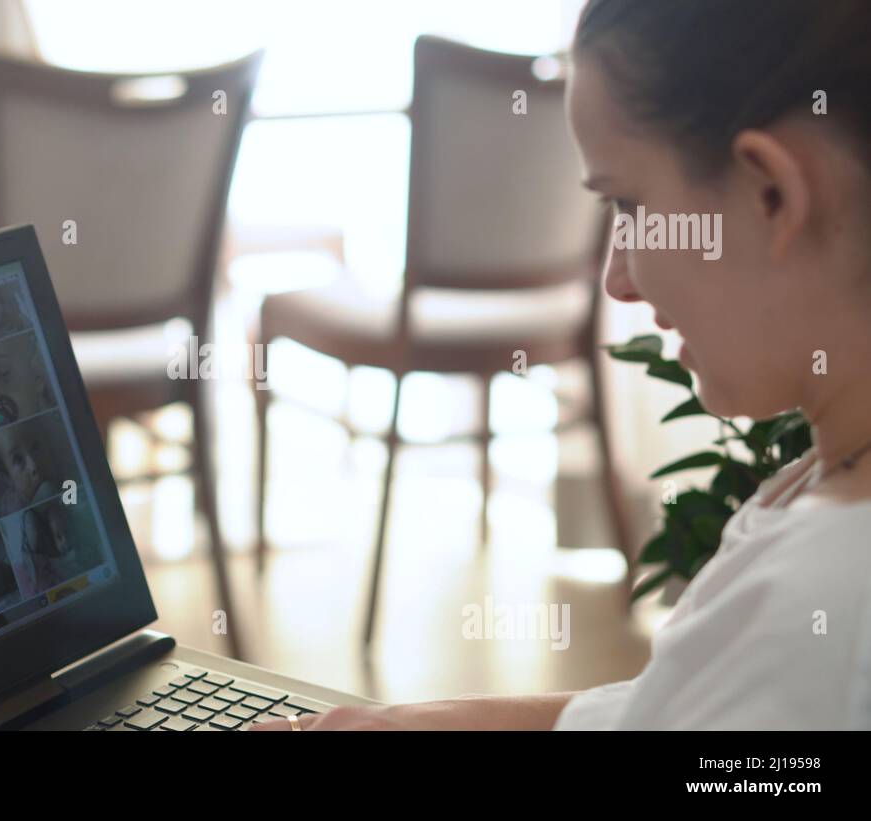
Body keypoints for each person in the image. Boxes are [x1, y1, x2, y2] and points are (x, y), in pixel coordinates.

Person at [256, 0, 871, 730]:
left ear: (772, 194)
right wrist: (404, 724)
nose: (617, 279)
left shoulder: (817, 598)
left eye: (629, 204)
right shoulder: (823, 489)